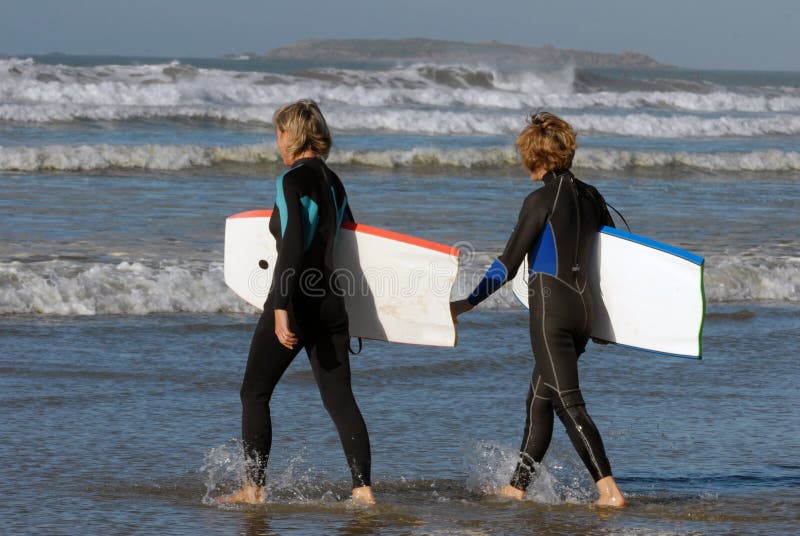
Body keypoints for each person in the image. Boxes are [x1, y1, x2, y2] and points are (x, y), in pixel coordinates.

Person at [451, 112, 625, 507]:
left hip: (552, 312)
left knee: (568, 402)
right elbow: (613, 259)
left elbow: (506, 265)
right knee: (539, 400)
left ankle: (609, 491)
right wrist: (605, 321)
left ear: (537, 157)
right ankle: (517, 488)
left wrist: (466, 303)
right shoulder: (593, 196)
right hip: (583, 313)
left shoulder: (539, 200)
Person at [221, 100, 374, 505]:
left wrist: (280, 308)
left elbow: (290, 248)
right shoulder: (335, 182)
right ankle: (363, 491)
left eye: (278, 132)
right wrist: (355, 313)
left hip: (296, 298)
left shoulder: (291, 180)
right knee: (339, 397)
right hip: (332, 301)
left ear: (290, 135)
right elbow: (351, 248)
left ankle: (253, 489)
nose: (276, 141)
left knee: (254, 392)